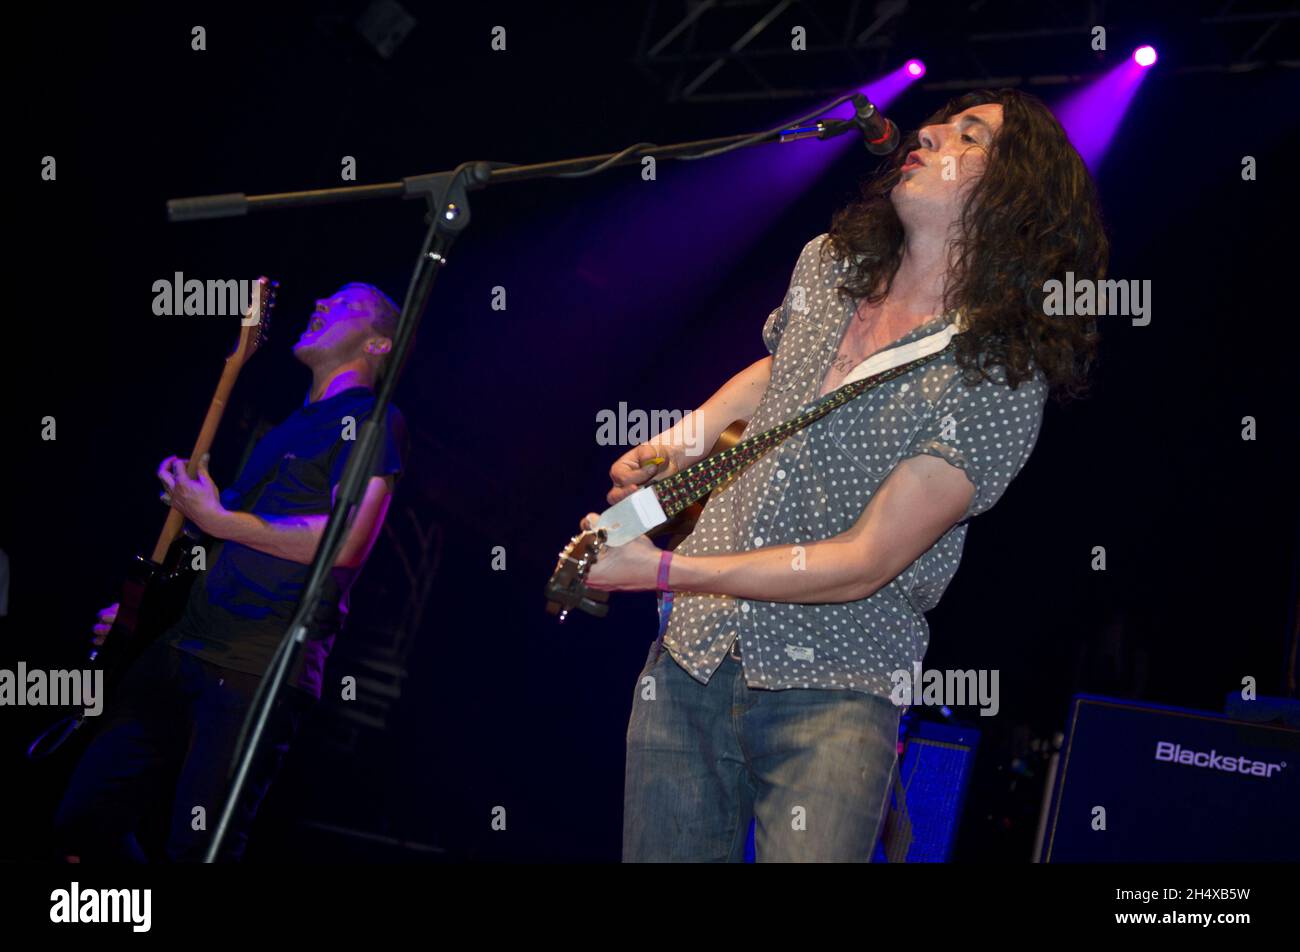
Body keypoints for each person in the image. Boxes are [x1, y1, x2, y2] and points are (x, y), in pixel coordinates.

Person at [583, 89, 1108, 862]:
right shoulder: (830, 263)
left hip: (834, 688)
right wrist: (683, 442)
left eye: (969, 136)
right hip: (692, 656)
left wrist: (662, 567)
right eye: (940, 122)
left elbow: (865, 562)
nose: (928, 131)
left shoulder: (998, 373)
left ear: (1016, 201)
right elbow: (781, 370)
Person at [53, 282, 409, 862]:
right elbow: (217, 546)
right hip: (179, 646)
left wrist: (218, 518)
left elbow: (345, 544)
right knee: (81, 822)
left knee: (199, 849)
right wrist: (143, 615)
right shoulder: (288, 428)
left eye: (343, 303)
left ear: (378, 343)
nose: (320, 303)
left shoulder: (372, 421)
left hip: (256, 668)